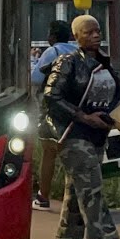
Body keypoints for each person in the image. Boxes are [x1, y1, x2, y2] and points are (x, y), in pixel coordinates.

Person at [41, 14, 120, 239]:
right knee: (92, 187)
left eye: (97, 31)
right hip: (71, 134)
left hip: (97, 134)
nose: (96, 35)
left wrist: (107, 119)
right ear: (76, 37)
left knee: (79, 187)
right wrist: (83, 117)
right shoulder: (67, 62)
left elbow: (113, 96)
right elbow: (51, 96)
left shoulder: (104, 63)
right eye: (88, 32)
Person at [31, 20, 78, 211]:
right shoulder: (77, 52)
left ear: (52, 36)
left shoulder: (53, 52)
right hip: (76, 108)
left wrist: (34, 61)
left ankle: (43, 197)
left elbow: (35, 78)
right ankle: (75, 198)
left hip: (53, 108)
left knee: (49, 151)